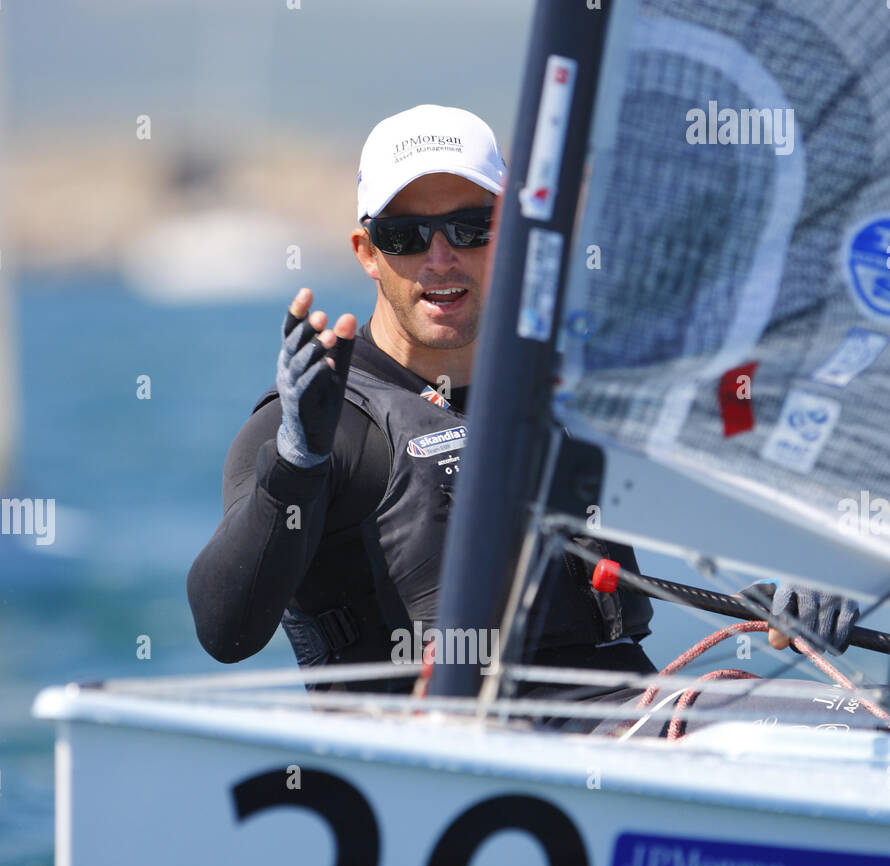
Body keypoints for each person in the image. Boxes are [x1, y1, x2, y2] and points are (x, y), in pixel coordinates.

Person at [187, 104, 859, 704]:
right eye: (406, 236)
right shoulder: (310, 422)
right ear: (366, 252)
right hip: (435, 757)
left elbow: (734, 488)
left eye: (470, 228)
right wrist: (296, 463)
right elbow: (227, 632)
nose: (440, 258)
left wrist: (801, 562)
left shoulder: (577, 395)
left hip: (631, 723)